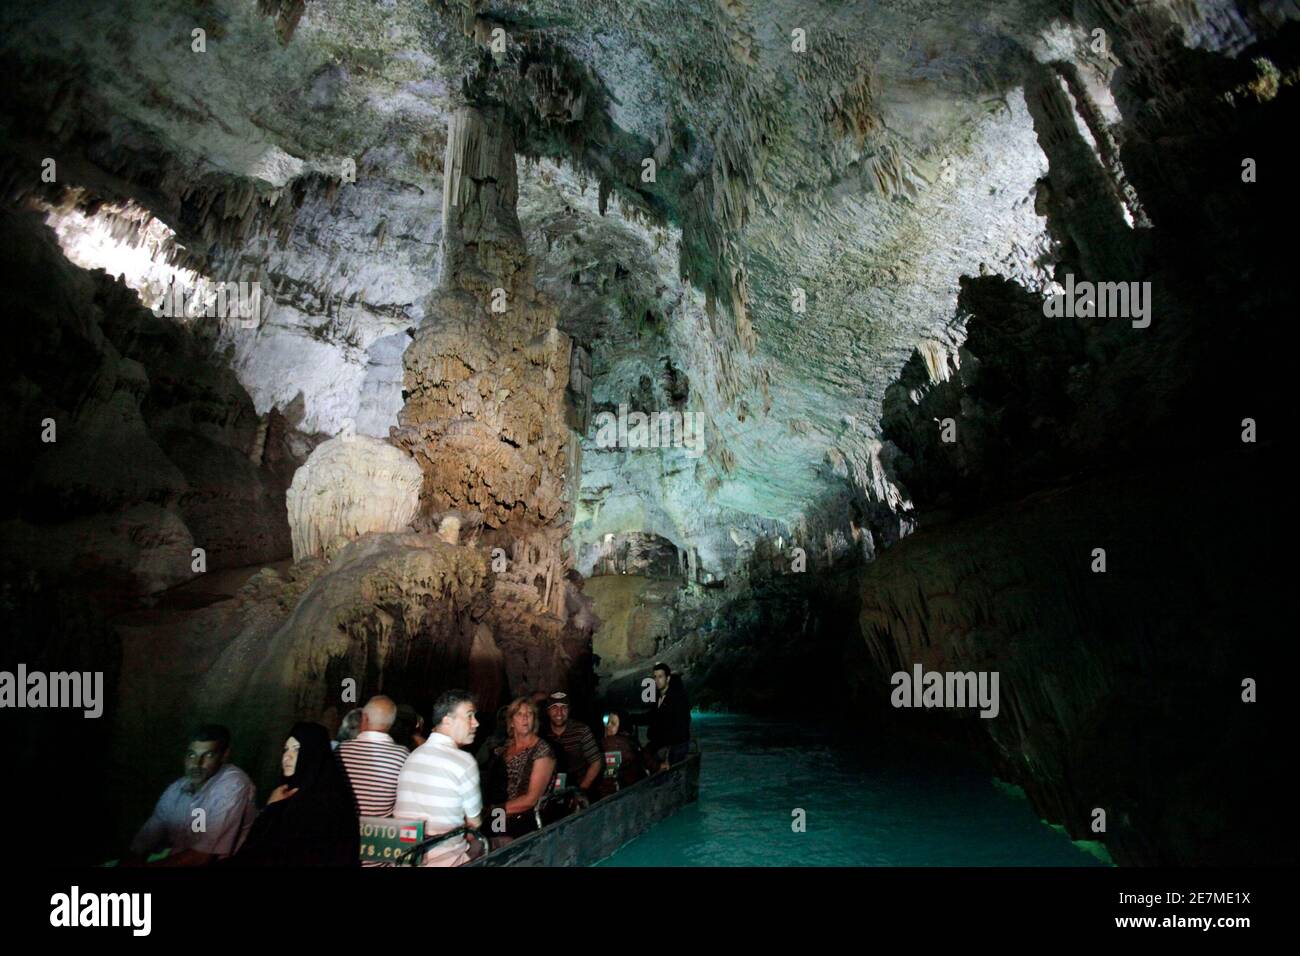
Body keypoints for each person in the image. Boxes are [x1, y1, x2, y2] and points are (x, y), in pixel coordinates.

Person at [228, 722, 359, 867]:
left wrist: (270, 810)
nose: (287, 757)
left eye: (296, 750)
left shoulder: (328, 804)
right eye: (286, 749)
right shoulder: (286, 793)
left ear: (312, 753)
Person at [127, 724, 256, 866]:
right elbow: (144, 842)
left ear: (224, 755)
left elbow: (202, 858)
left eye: (208, 755)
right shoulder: (177, 788)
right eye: (191, 754)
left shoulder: (234, 784)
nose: (197, 764)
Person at [393, 690, 482, 866]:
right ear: (447, 720)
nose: (476, 723)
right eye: (469, 716)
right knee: (504, 842)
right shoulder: (463, 761)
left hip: (406, 857)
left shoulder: (413, 756)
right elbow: (475, 824)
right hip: (447, 860)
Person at [484, 697, 557, 838]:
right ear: (511, 722)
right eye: (519, 714)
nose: (525, 718)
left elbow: (531, 799)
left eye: (529, 714)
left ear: (534, 720)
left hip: (525, 820)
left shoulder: (542, 750)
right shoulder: (502, 750)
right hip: (499, 817)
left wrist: (493, 811)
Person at [338, 696, 409, 817]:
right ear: (391, 723)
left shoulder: (341, 750)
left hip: (344, 826)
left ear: (364, 718)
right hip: (381, 830)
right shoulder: (402, 755)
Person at [543, 691, 602, 794]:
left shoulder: (581, 730)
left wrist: (580, 790)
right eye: (554, 708)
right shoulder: (542, 734)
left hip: (579, 786)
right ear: (548, 711)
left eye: (564, 708)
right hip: (549, 791)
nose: (559, 712)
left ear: (569, 710)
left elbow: (596, 762)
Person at [636, 662, 691, 770]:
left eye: (660, 677)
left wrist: (661, 742)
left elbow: (681, 725)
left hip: (674, 746)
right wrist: (629, 719)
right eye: (655, 677)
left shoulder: (678, 699)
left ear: (668, 678)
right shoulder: (658, 698)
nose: (657, 680)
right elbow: (651, 716)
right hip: (661, 744)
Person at [593, 709, 646, 799]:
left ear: (622, 727)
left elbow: (610, 776)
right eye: (608, 722)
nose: (608, 725)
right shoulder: (630, 741)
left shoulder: (613, 744)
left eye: (613, 723)